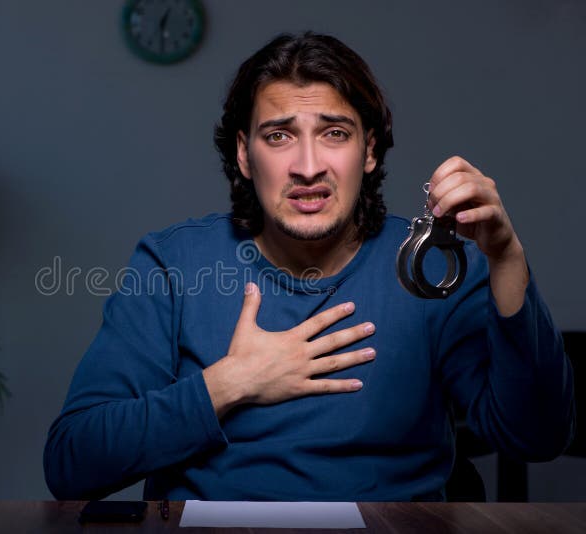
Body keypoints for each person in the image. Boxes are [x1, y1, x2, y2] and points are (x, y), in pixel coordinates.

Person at [43, 32, 575, 501]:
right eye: (279, 135)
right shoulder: (173, 264)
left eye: (334, 133)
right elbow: (73, 464)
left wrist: (505, 257)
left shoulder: (431, 266)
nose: (307, 166)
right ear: (245, 155)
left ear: (368, 149)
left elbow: (536, 437)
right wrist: (231, 384)